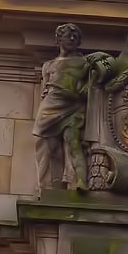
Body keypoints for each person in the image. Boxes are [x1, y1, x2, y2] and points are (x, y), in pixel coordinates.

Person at [32, 23, 95, 191]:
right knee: (44, 142)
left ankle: (75, 182)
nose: (72, 39)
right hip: (50, 104)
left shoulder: (84, 62)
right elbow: (45, 89)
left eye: (76, 37)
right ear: (58, 39)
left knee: (72, 143)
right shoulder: (48, 65)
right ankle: (45, 185)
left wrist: (85, 91)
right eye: (68, 36)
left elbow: (91, 85)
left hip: (72, 105)